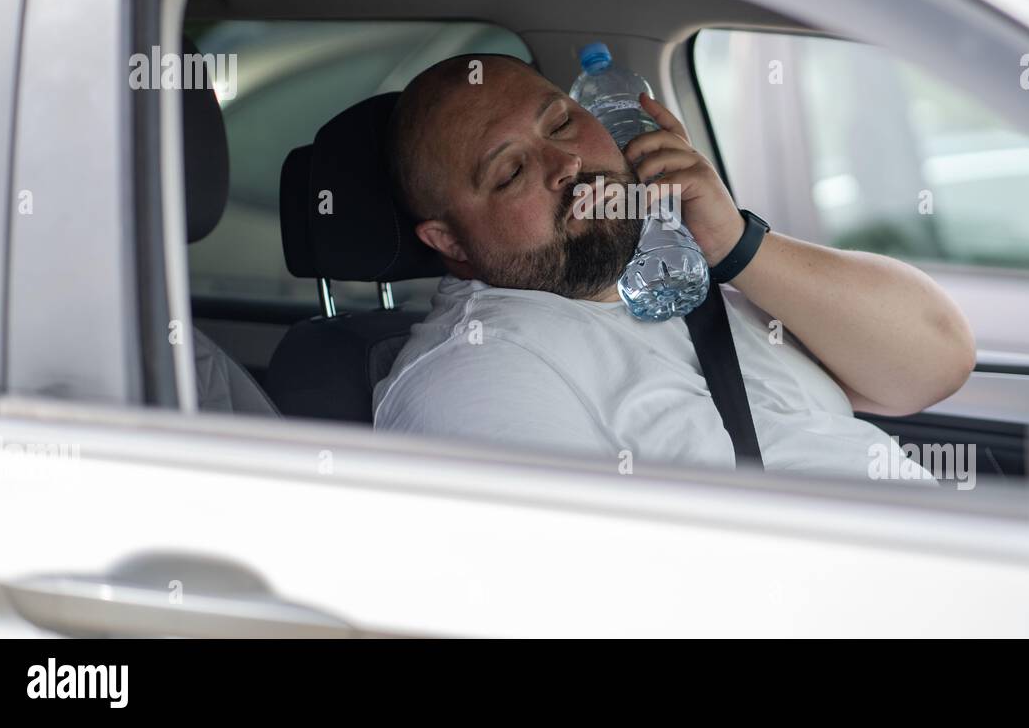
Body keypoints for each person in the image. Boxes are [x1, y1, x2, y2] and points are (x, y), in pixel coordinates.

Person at [373, 54, 975, 480]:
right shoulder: (474, 372)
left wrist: (735, 244)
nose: (567, 162)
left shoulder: (695, 266)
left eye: (560, 123)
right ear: (448, 240)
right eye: (510, 173)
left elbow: (935, 361)